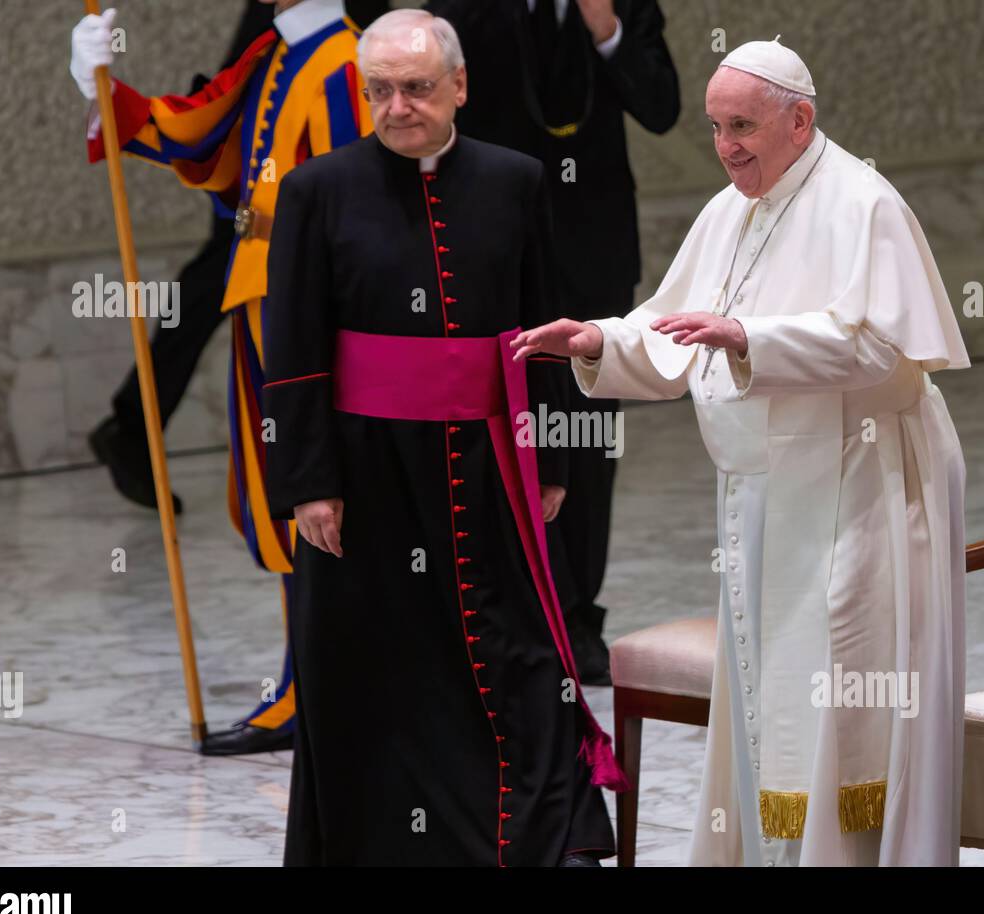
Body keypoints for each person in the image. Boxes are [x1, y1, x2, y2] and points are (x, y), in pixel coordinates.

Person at [512, 38, 971, 866]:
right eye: (718, 127)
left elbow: (884, 351)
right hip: (764, 494)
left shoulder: (861, 203)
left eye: (744, 126)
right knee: (773, 694)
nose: (727, 146)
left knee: (843, 682)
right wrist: (595, 340)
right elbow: (673, 324)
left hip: (859, 481)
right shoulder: (732, 209)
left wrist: (750, 336)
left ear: (801, 120)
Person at [263, 8, 623, 866]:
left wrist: (553, 459)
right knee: (376, 668)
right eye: (380, 90)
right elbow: (292, 350)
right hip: (365, 471)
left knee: (521, 650)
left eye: (418, 88)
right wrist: (309, 481)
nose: (398, 107)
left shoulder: (513, 180)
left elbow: (543, 332)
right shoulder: (317, 189)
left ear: (459, 86)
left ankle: (540, 836)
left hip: (491, 462)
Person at [69, 0, 373, 754]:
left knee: (318, 491)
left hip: (309, 318)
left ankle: (328, 690)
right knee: (280, 497)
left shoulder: (348, 65)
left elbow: (358, 215)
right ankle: (306, 678)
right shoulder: (277, 53)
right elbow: (205, 138)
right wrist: (105, 90)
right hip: (263, 303)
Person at [425, 0, 681, 684]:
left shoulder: (620, 6)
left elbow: (661, 105)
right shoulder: (457, 9)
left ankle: (579, 618)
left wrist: (605, 27)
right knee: (506, 433)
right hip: (493, 249)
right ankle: (515, 612)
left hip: (593, 254)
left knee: (589, 440)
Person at [87, 0, 390, 518]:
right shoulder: (277, 43)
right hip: (266, 258)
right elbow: (220, 126)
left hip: (307, 280)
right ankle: (134, 424)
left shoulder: (348, 54)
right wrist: (104, 93)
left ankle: (135, 423)